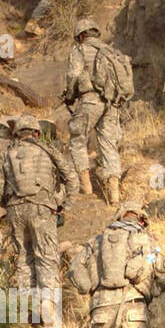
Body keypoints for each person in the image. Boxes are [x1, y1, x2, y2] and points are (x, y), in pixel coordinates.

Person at [0, 113, 78, 328]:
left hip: (16, 210)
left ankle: (24, 315)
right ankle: (48, 312)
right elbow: (72, 179)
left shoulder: (5, 155)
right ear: (36, 133)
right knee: (46, 257)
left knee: (23, 259)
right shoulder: (49, 150)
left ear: (17, 134)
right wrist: (63, 205)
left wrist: (9, 205)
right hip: (42, 208)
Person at [64, 18, 134, 204]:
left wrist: (70, 94)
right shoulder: (111, 51)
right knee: (108, 144)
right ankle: (114, 193)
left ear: (80, 36)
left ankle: (86, 186)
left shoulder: (79, 50)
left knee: (77, 138)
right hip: (112, 103)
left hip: (90, 100)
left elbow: (73, 74)